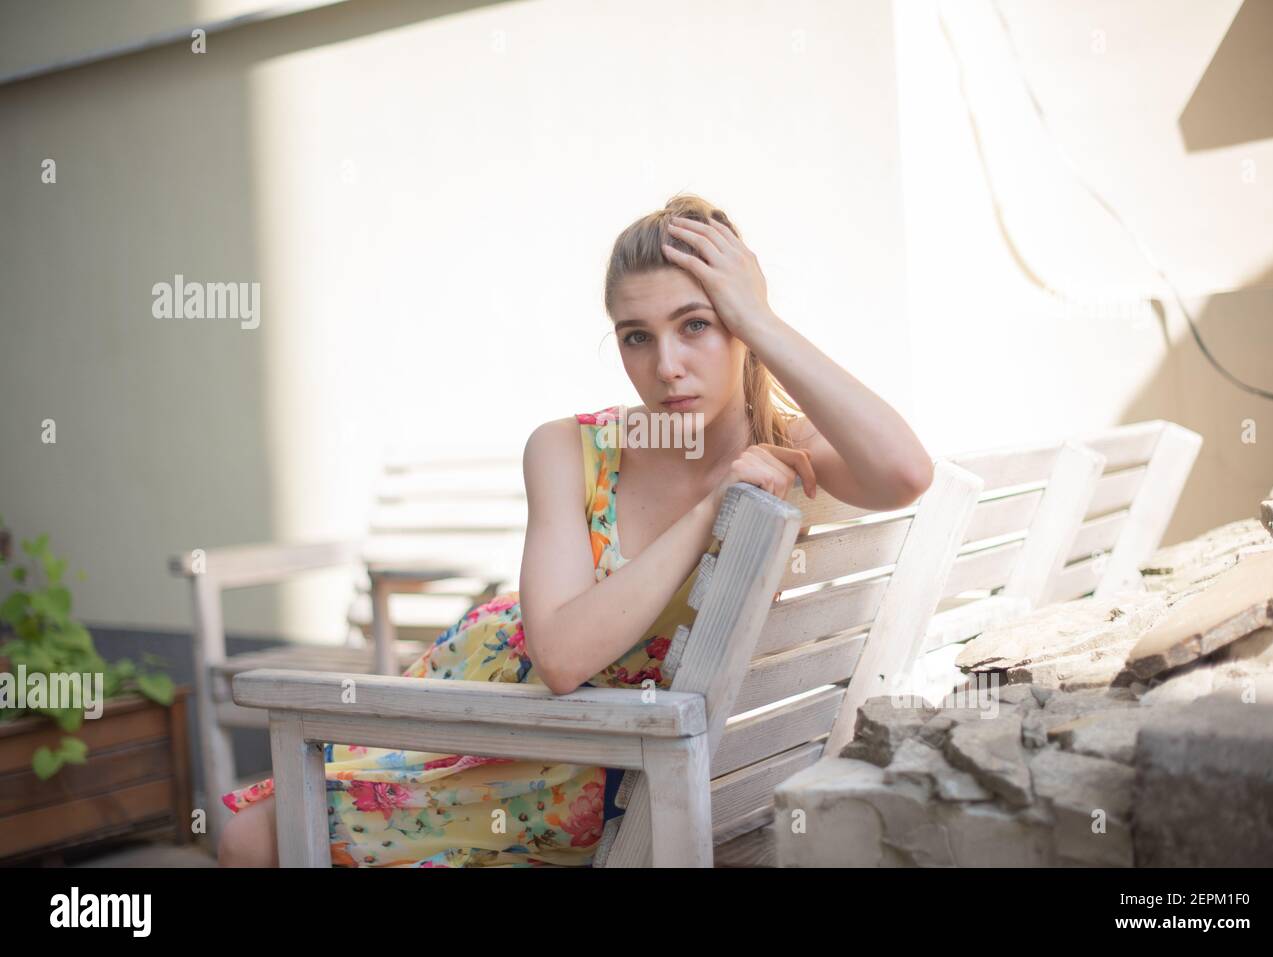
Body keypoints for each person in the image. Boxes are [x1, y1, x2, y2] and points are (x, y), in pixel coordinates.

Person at [216, 192, 934, 867]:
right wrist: (707, 509)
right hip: (488, 695)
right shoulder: (569, 447)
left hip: (587, 754)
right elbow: (556, 653)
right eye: (636, 337)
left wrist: (762, 317)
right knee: (250, 833)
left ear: (739, 326)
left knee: (253, 838)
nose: (667, 366)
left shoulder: (789, 443)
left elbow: (907, 471)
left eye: (698, 324)